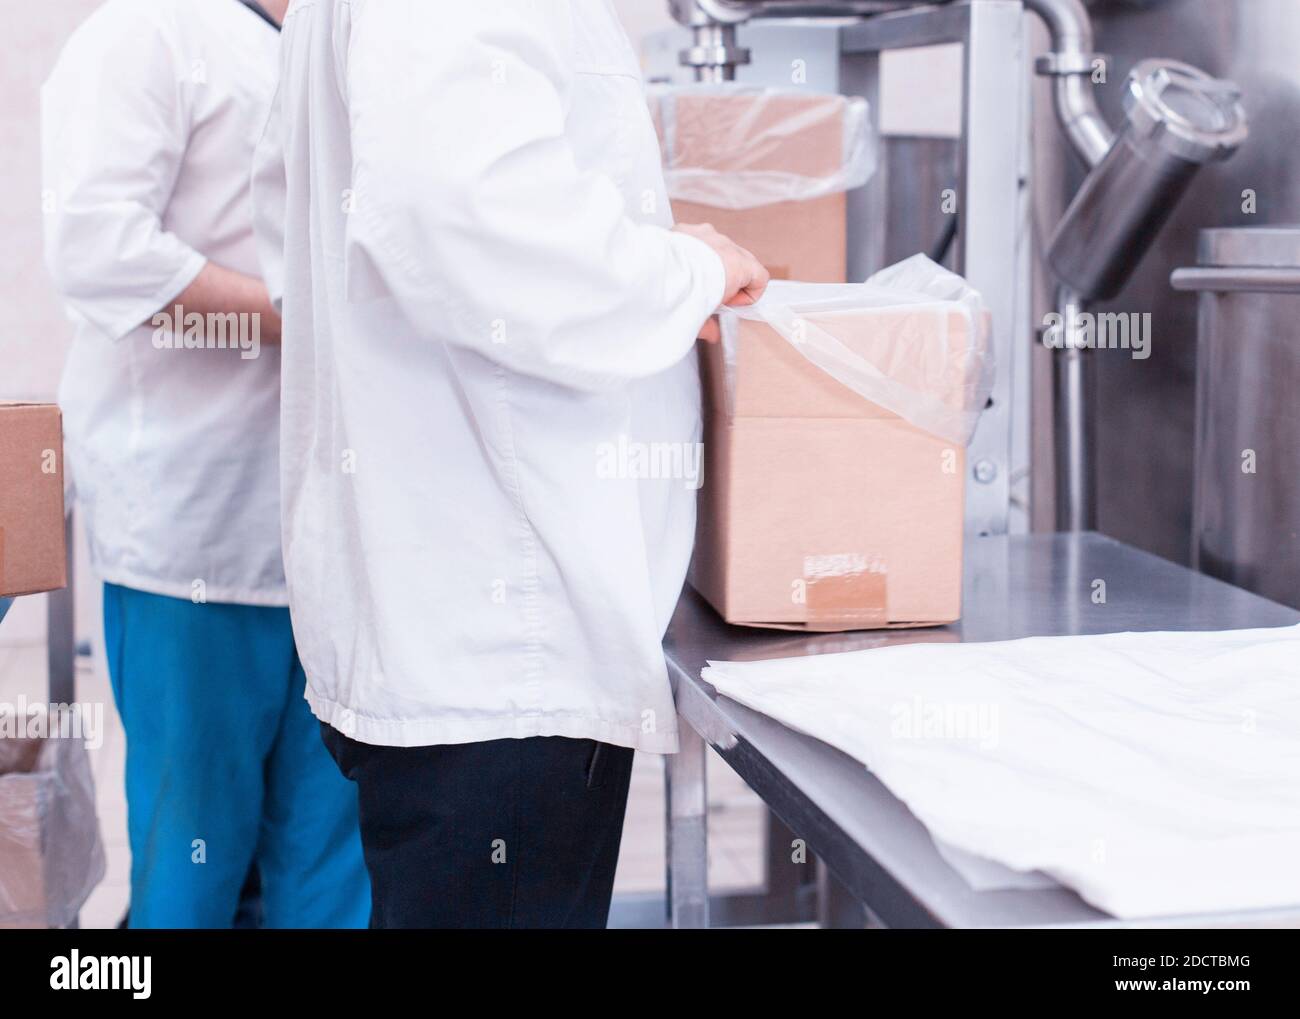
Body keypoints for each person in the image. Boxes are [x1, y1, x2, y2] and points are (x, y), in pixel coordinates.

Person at [251, 0, 768, 929]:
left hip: (451, 623)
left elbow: (308, 242)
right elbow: (469, 226)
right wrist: (681, 271)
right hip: (501, 647)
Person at [41, 0, 369, 929]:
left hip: (341, 542)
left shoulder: (354, 37)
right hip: (191, 533)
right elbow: (98, 251)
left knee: (331, 875)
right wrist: (302, 316)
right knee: (192, 871)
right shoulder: (147, 32)